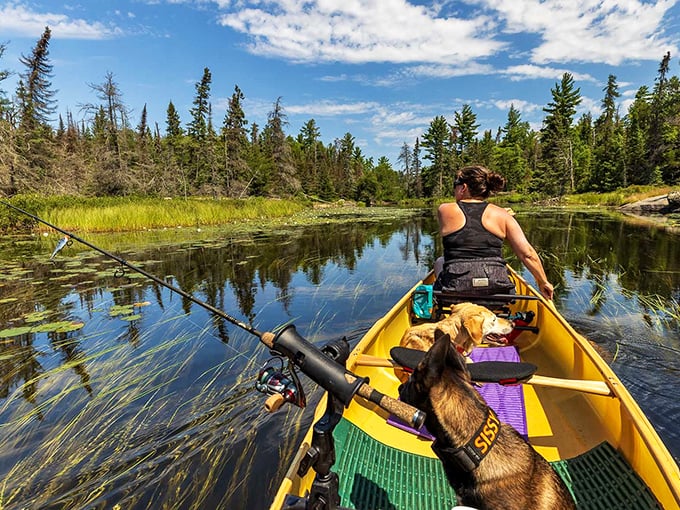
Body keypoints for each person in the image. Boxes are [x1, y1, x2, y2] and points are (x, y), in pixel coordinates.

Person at [434, 165, 554, 300]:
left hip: (455, 290)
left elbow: (471, 220)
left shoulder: (444, 210)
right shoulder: (502, 215)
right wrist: (543, 282)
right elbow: (527, 254)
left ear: (464, 188)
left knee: (440, 261)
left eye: (455, 184)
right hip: (497, 289)